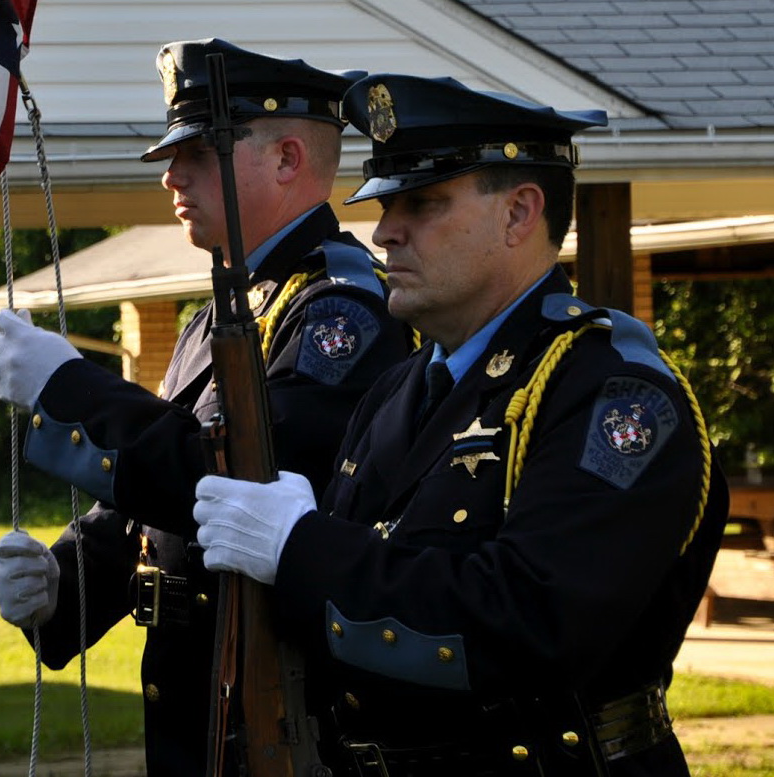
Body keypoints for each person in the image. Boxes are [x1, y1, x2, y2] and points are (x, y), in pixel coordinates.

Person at [191, 74, 729, 776]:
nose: (383, 230)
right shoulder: (398, 387)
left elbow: (531, 622)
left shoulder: (614, 394)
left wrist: (302, 548)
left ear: (518, 214)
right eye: (385, 204)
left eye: (421, 203)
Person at [0, 39, 413, 775]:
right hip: (204, 700)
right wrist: (66, 583)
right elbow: (160, 509)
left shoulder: (340, 307)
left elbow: (236, 477)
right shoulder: (225, 308)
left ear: (285, 159)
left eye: (199, 150)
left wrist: (70, 389)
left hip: (285, 709)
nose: (169, 175)